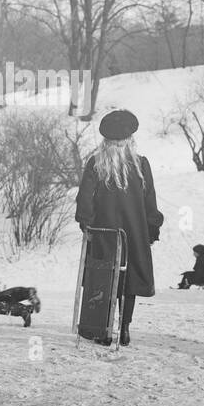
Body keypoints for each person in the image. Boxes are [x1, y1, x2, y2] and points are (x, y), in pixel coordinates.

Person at [75, 109, 165, 346]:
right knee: (129, 281)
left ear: (106, 142)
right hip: (133, 235)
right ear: (129, 140)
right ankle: (124, 329)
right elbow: (150, 201)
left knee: (104, 278)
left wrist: (86, 224)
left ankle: (103, 330)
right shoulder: (140, 164)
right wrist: (152, 228)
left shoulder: (96, 163)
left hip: (104, 234)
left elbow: (84, 199)